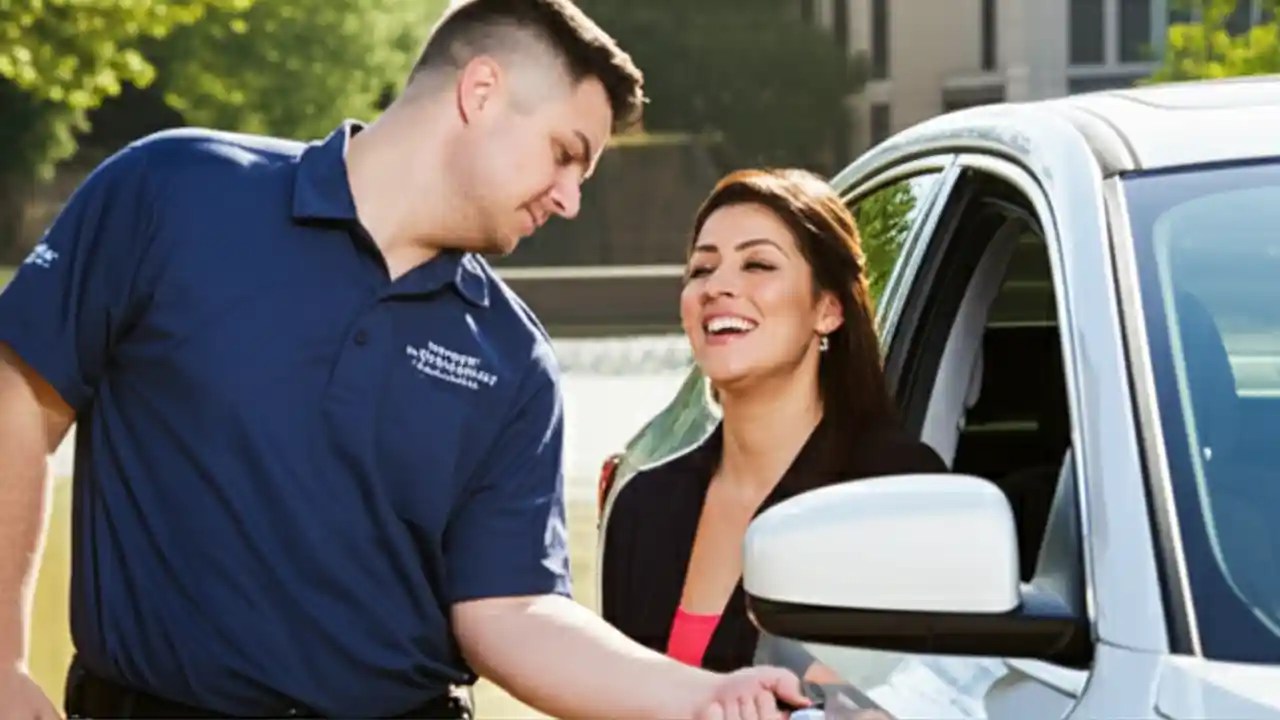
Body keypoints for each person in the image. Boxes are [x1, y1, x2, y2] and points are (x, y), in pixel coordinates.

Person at [0, 1, 811, 718]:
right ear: (481, 92)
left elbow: (511, 610)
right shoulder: (172, 190)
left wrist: (702, 695)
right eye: (566, 153)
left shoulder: (512, 357)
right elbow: (19, 401)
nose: (570, 198)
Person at [600, 168, 949, 675]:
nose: (718, 287)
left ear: (827, 310)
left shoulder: (897, 492)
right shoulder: (642, 506)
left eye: (758, 264)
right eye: (701, 270)